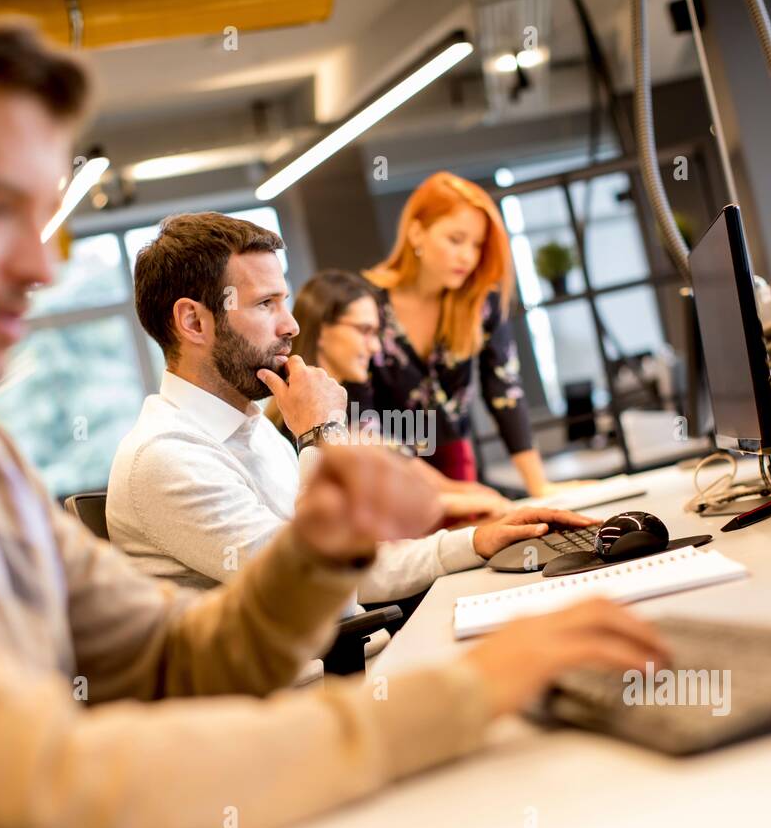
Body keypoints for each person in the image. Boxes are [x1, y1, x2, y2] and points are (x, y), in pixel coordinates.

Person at [0, 5, 666, 828]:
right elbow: (42, 788)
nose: (37, 270)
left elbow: (176, 661)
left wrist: (320, 550)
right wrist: (460, 695)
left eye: (40, 216)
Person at [106, 215, 593, 602]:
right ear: (193, 320)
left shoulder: (250, 432)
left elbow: (356, 569)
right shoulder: (166, 459)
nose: (292, 324)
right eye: (266, 304)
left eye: (286, 301)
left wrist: (474, 542)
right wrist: (319, 434)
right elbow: (322, 589)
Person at [358, 171, 599, 497]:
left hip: (457, 465)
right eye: (456, 240)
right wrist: (445, 493)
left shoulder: (481, 304)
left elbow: (504, 391)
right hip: (386, 477)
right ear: (416, 233)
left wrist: (538, 485)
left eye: (477, 245)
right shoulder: (364, 306)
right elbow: (359, 420)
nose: (468, 257)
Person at [267, 268, 511, 525]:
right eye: (364, 330)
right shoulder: (298, 419)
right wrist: (462, 501)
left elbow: (398, 464)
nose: (375, 347)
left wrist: (469, 493)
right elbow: (368, 506)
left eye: (377, 333)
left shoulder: (354, 400)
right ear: (322, 330)